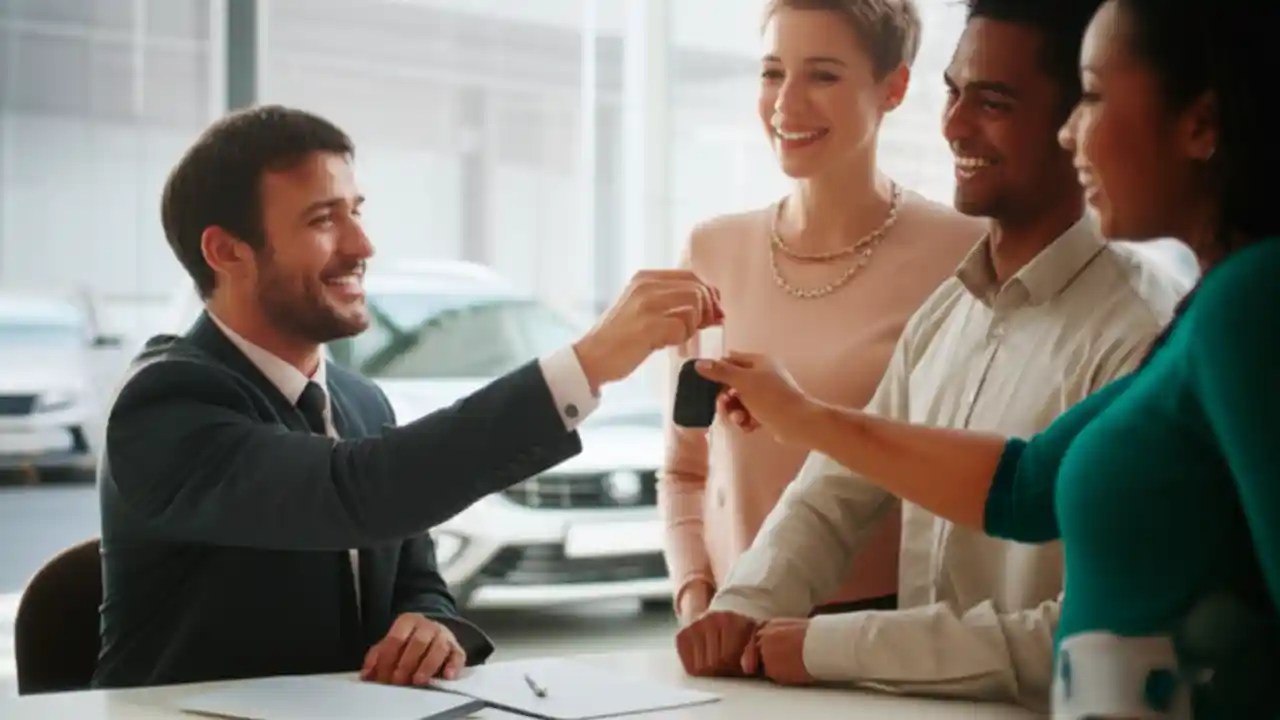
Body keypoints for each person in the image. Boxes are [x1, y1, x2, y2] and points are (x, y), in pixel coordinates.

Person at [694, 0, 1280, 716]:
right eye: (953, 92)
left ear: (1201, 124)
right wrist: (746, 597)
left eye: (1092, 97)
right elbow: (1020, 486)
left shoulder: (1228, 308)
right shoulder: (1197, 316)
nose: (1074, 133)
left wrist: (826, 644)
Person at [93, 105, 721, 689]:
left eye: (355, 211)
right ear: (226, 251)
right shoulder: (167, 402)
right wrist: (587, 364)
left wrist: (432, 625)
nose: (362, 247)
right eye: (322, 220)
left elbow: (420, 583)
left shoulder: (362, 402)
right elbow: (356, 492)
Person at [659, 0, 984, 627]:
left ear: (894, 87)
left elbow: (973, 478)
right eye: (773, 72)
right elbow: (682, 467)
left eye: (823, 75)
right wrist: (695, 594)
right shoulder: (711, 251)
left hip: (884, 643)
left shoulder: (963, 254)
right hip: (730, 637)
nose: (786, 103)